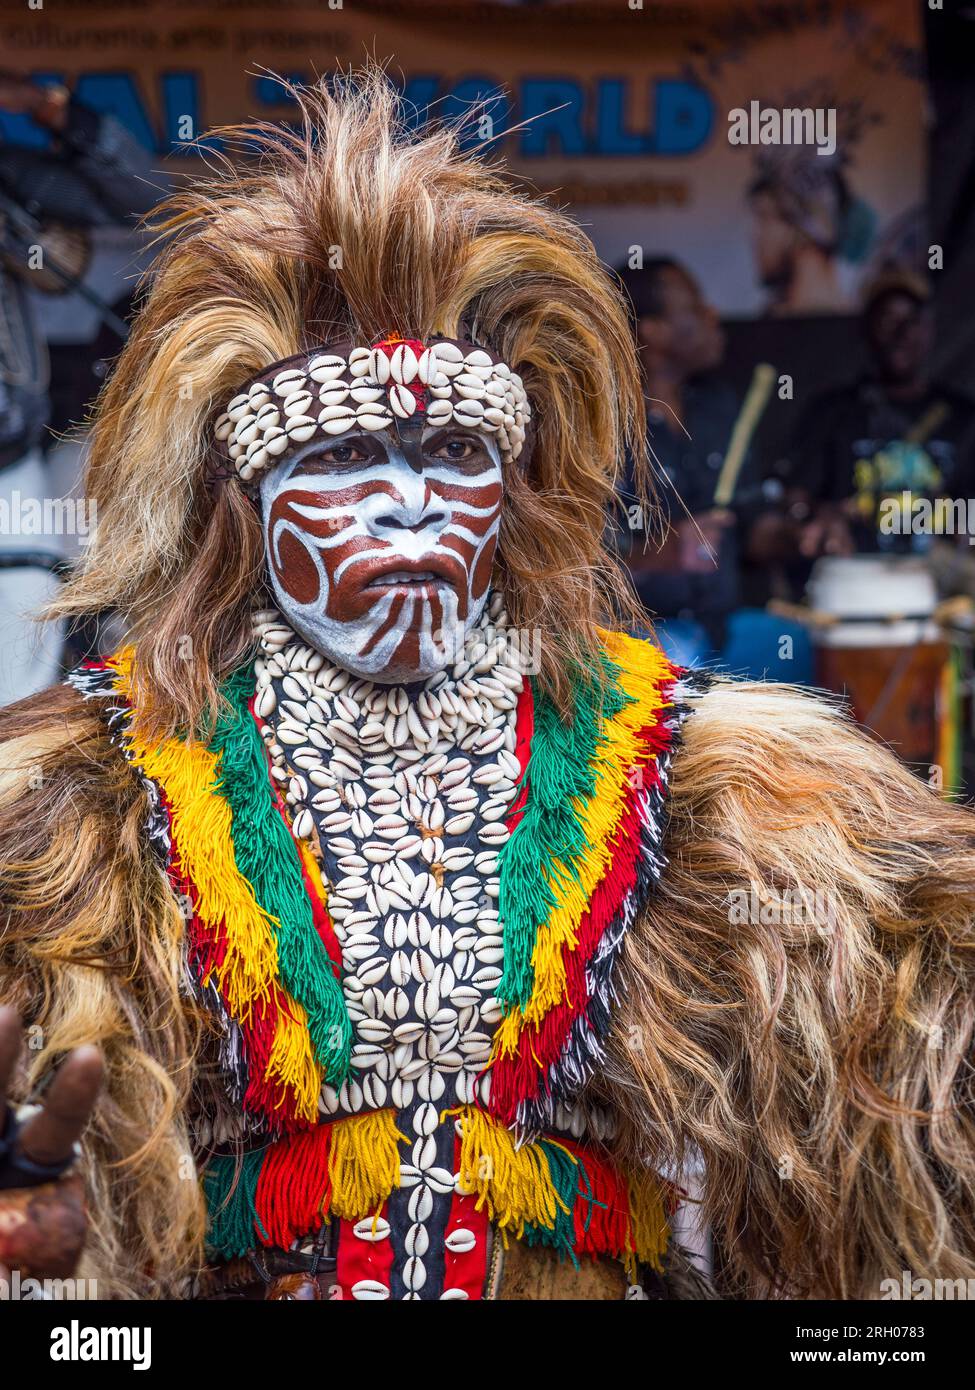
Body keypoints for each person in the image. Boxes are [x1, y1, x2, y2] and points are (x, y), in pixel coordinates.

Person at [1, 71, 974, 1302]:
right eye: (347, 455)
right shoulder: (92, 785)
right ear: (240, 510)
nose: (408, 498)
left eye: (454, 452)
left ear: (514, 494)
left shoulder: (698, 768)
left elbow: (919, 1052)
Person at [0, 72, 159, 704]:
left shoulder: (8, 177)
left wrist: (53, 111)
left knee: (31, 647)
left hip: (12, 452)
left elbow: (148, 200)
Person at [615, 257, 805, 677]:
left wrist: (798, 531)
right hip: (639, 631)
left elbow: (753, 531)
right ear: (654, 330)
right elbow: (576, 564)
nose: (713, 315)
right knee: (680, 654)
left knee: (797, 645)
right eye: (695, 307)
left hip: (723, 625)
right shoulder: (600, 425)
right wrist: (664, 553)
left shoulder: (717, 406)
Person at [795, 272, 975, 559]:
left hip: (943, 586)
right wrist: (817, 516)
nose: (902, 333)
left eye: (913, 321)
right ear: (867, 329)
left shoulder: (964, 417)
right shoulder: (833, 412)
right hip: (854, 582)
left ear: (930, 329)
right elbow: (796, 498)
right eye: (888, 319)